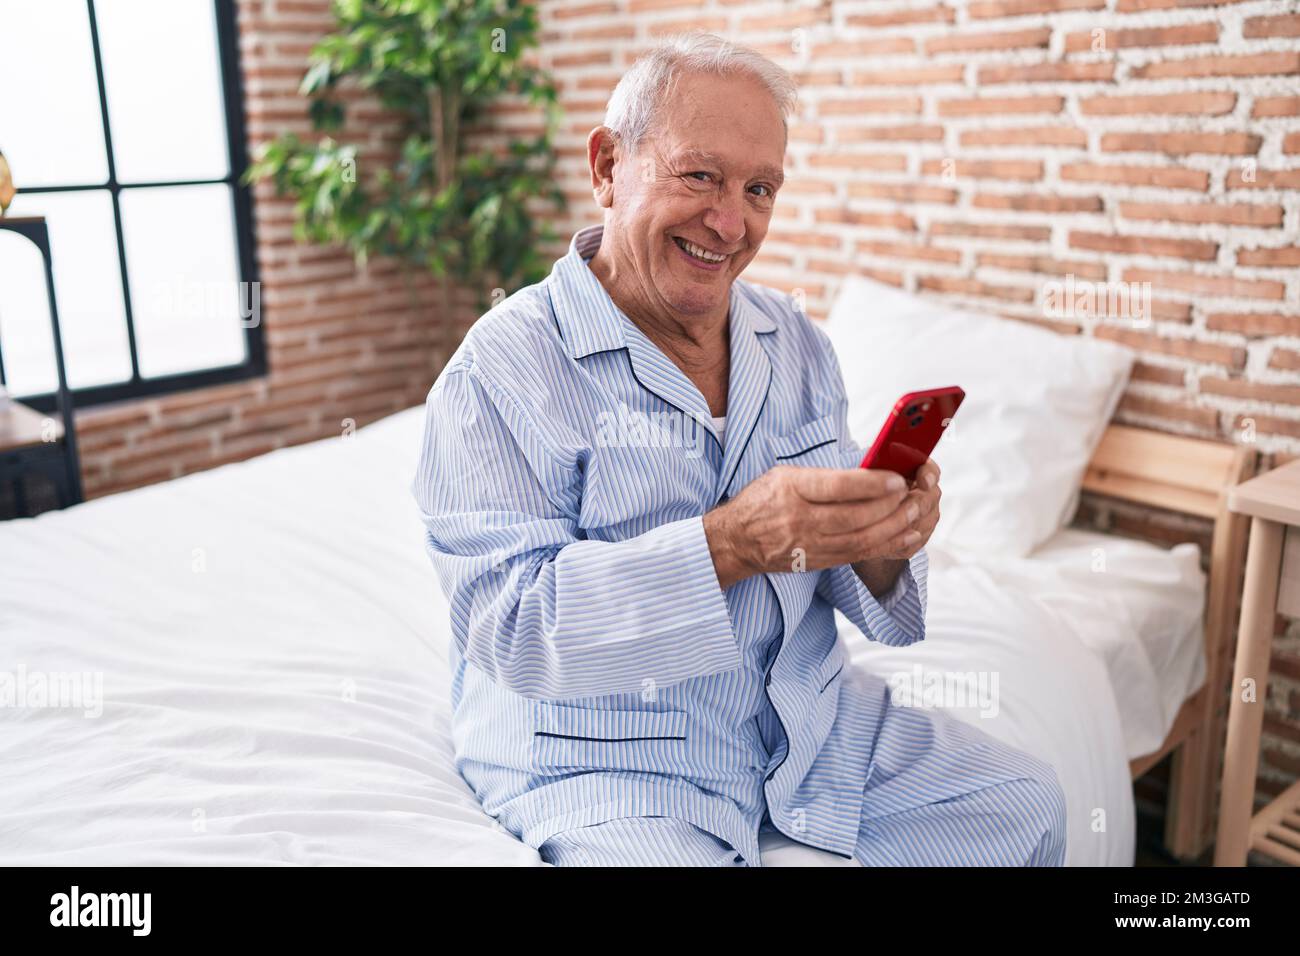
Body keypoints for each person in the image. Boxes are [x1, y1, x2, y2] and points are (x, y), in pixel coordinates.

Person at [412, 33, 1067, 866]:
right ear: (608, 167)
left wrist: (882, 542)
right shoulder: (499, 369)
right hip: (610, 756)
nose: (731, 222)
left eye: (760, 188)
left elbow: (846, 577)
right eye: (700, 176)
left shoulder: (795, 339)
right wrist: (728, 544)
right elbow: (514, 628)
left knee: (1028, 808)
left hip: (805, 723)